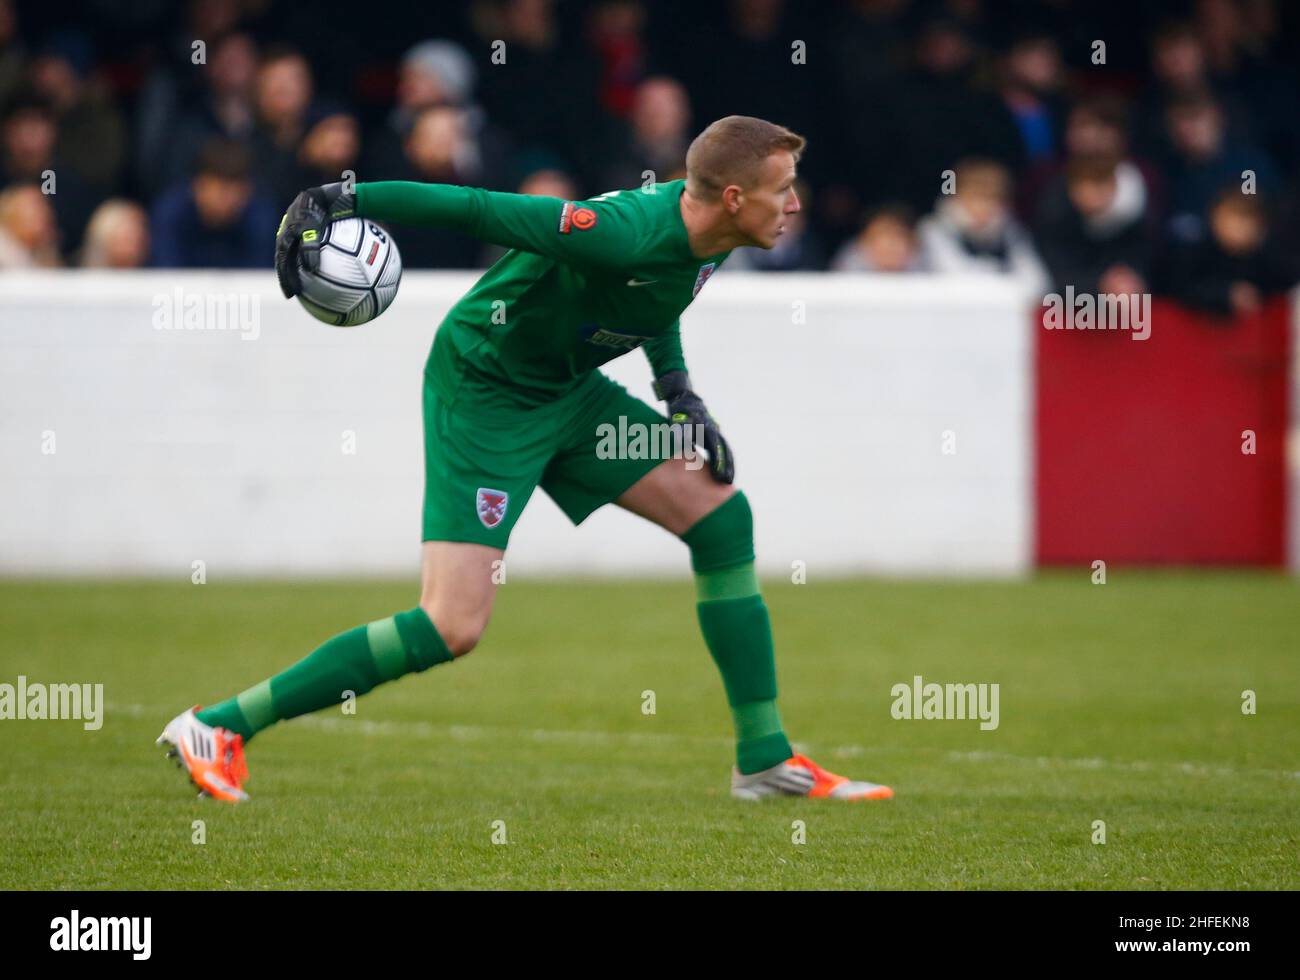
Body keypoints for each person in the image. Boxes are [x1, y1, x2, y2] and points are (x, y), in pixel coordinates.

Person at [156, 115, 894, 805]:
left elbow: (659, 297)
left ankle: (763, 758)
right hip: (484, 392)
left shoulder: (717, 230)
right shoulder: (618, 230)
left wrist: (677, 389)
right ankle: (217, 725)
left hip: (570, 394)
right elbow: (480, 208)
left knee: (722, 518)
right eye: (783, 190)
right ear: (734, 197)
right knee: (451, 624)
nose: (795, 204)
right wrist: (342, 197)